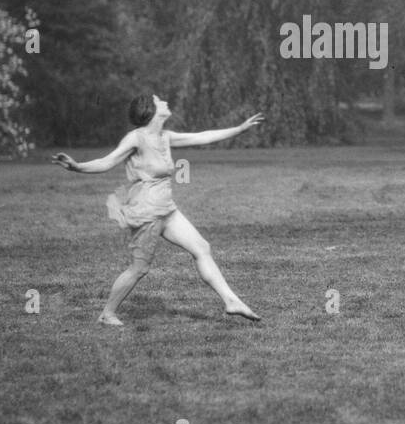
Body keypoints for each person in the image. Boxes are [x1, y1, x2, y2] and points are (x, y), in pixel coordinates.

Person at [52, 93, 264, 326]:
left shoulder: (165, 137)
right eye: (159, 101)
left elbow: (203, 137)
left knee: (202, 248)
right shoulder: (136, 138)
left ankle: (231, 301)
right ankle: (107, 314)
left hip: (167, 210)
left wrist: (240, 129)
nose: (165, 102)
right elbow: (108, 161)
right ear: (151, 110)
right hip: (146, 213)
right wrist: (76, 167)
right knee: (139, 268)